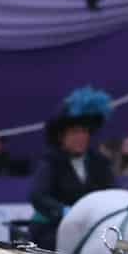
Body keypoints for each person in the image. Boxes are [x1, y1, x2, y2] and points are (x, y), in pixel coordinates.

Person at [27, 88, 117, 245]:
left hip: (93, 228)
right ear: (61, 136)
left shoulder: (99, 162)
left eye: (85, 132)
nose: (81, 137)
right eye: (75, 132)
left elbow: (112, 192)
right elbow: (38, 196)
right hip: (53, 229)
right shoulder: (50, 161)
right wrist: (65, 212)